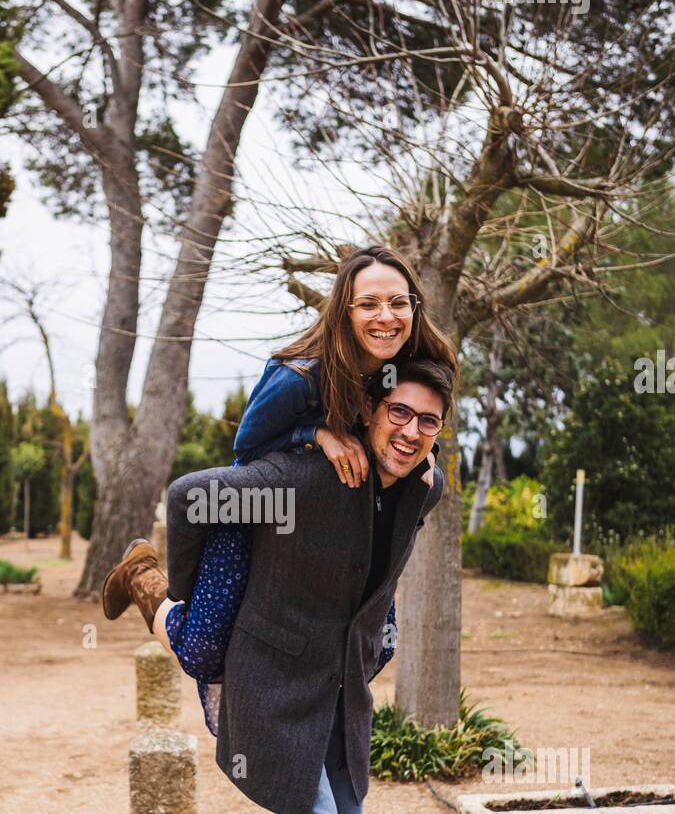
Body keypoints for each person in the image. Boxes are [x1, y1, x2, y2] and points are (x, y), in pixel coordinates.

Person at [166, 357, 454, 814]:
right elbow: (189, 497)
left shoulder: (424, 486)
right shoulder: (307, 476)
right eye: (397, 412)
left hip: (341, 693)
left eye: (428, 421)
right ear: (367, 410)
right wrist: (192, 607)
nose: (410, 431)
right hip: (268, 687)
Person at [101, 245, 456, 734]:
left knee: (381, 642)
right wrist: (316, 434)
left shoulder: (418, 356)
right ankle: (142, 579)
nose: (386, 316)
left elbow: (423, 416)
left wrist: (424, 450)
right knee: (203, 648)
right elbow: (246, 446)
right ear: (345, 310)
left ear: (415, 306)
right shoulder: (301, 375)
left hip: (348, 517)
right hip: (262, 505)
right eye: (369, 304)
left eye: (398, 303)